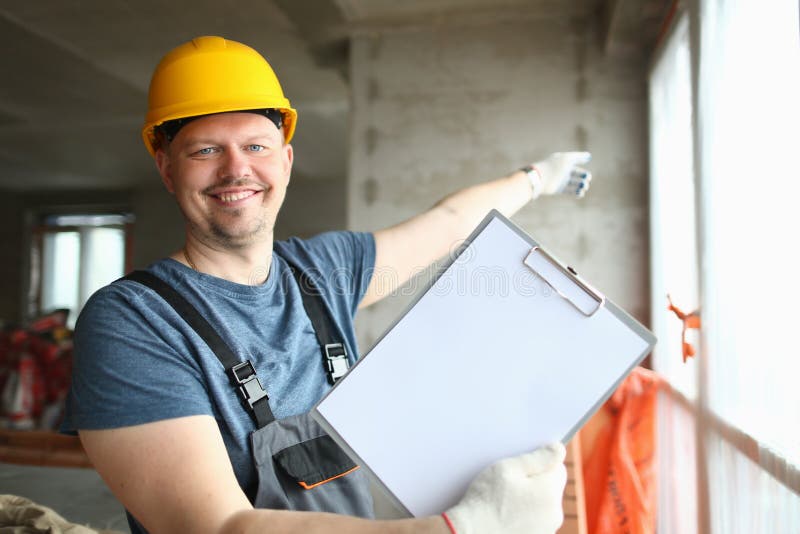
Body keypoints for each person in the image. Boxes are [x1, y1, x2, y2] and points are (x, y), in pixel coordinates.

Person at [62, 36, 593, 534]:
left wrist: (536, 179)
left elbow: (451, 221)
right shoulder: (132, 322)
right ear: (166, 167)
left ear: (286, 161)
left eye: (256, 145)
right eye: (205, 151)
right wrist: (455, 529)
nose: (236, 169)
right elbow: (222, 526)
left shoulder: (325, 273)